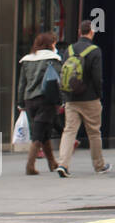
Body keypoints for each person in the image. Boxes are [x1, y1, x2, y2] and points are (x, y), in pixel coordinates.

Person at [56, 20, 108, 178]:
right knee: (94, 132)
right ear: (92, 32)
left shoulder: (69, 49)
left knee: (69, 131)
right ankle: (99, 165)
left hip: (71, 98)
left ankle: (63, 164)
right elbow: (97, 77)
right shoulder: (95, 51)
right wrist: (99, 94)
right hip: (90, 97)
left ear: (79, 32)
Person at [16, 32, 62, 174]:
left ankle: (52, 163)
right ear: (50, 44)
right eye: (54, 42)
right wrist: (60, 101)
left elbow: (22, 83)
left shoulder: (27, 60)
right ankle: (30, 165)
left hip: (29, 100)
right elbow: (57, 82)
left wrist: (20, 103)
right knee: (38, 135)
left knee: (44, 132)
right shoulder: (53, 59)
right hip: (45, 100)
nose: (55, 45)